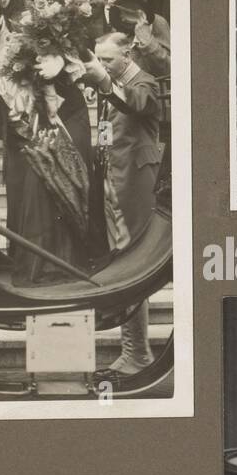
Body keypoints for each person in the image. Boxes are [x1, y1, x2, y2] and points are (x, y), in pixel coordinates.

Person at [0, 0, 92, 285]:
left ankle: (55, 272)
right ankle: (30, 275)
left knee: (42, 195)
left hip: (59, 123)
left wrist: (60, 65)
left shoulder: (30, 26)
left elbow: (80, 64)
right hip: (19, 134)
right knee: (19, 197)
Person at [82, 31, 164, 375]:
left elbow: (136, 103)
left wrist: (103, 81)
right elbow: (107, 127)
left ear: (128, 54)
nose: (103, 66)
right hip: (113, 182)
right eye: (99, 60)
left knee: (133, 266)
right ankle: (133, 350)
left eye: (109, 59)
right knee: (121, 261)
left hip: (133, 184)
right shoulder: (112, 82)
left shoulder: (145, 82)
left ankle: (137, 353)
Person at [110, 0, 171, 78]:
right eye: (120, 12)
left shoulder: (156, 22)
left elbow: (168, 70)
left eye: (127, 13)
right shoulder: (123, 28)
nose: (122, 18)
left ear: (140, 14)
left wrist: (147, 42)